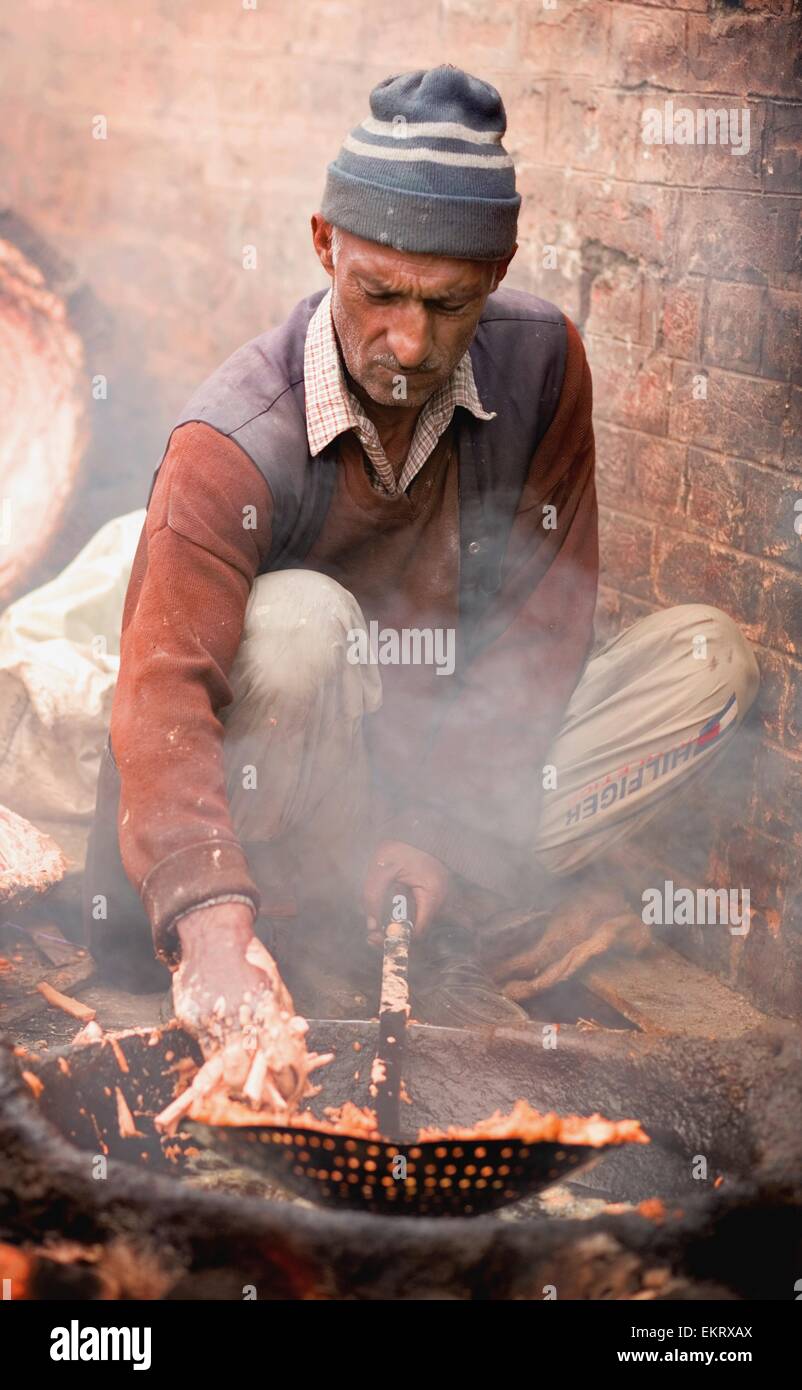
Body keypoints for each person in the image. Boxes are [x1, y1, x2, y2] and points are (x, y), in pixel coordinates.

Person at [80, 65, 759, 1103]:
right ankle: (295, 923)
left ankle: (452, 885)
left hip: (444, 778)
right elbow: (163, 695)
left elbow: (543, 624)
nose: (409, 342)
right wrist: (210, 927)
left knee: (705, 658)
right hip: (299, 793)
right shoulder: (231, 440)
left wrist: (442, 834)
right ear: (323, 246)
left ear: (498, 272)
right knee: (303, 624)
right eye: (379, 293)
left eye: (448, 305)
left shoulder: (540, 366)